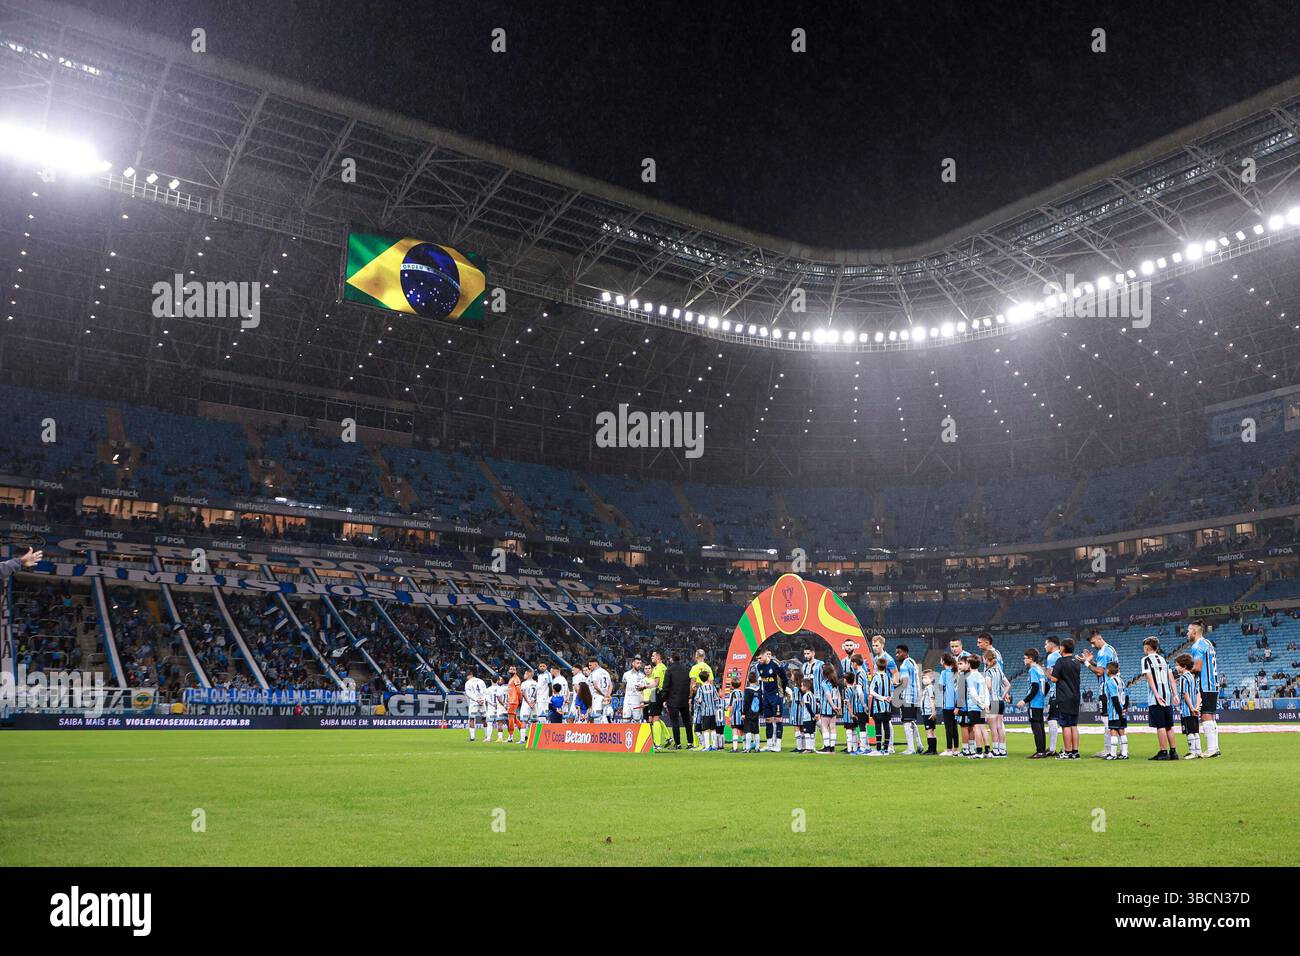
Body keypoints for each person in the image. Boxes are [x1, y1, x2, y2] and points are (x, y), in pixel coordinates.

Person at [1081, 629, 1119, 757]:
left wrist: (1086, 663)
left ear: (1098, 638)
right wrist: (1092, 662)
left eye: (1093, 643)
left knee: (1106, 719)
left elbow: (1100, 672)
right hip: (1113, 687)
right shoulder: (1110, 649)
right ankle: (1116, 748)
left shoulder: (1103, 652)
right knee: (1113, 719)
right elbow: (1103, 668)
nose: (1092, 646)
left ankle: (1108, 750)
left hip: (1106, 689)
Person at [1187, 620, 1222, 758]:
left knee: (1206, 715)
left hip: (1206, 684)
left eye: (1189, 630)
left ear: (1195, 632)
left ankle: (1211, 749)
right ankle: (1215, 748)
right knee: (1211, 716)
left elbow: (1198, 667)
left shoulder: (1197, 645)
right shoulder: (1208, 643)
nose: (1187, 633)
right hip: (1214, 683)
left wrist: (1185, 672)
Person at [1141, 637, 1177, 761]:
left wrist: (1156, 694)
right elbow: (1172, 679)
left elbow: (1149, 677)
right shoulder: (1164, 660)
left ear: (1147, 647)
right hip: (1167, 696)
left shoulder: (1146, 660)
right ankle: (1173, 752)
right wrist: (1175, 694)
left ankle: (1163, 751)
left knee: (1160, 725)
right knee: (1169, 725)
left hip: (1157, 698)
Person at [1049, 637, 1083, 759]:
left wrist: (1045, 671)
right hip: (1075, 696)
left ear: (1062, 648)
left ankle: (1067, 752)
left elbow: (1054, 678)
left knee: (1065, 725)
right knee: (1074, 725)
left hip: (1064, 696)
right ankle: (1075, 751)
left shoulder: (1061, 661)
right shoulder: (1077, 661)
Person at [753, 648, 789, 752]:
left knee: (778, 719)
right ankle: (769, 744)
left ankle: (778, 744)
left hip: (776, 695)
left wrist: (782, 691)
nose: (759, 660)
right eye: (757, 658)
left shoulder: (776, 665)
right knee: (768, 720)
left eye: (760, 658)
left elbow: (784, 679)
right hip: (766, 696)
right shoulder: (759, 667)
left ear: (765, 655)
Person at [659, 652, 694, 751]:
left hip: (673, 700)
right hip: (684, 700)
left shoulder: (669, 670)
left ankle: (678, 744)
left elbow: (666, 686)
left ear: (671, 659)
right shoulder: (687, 669)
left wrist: (663, 699)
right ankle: (690, 743)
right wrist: (689, 697)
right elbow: (689, 684)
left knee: (675, 722)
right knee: (687, 722)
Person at [1017, 649, 1048, 758]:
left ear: (1030, 658)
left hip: (1034, 703)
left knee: (1036, 727)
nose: (1023, 660)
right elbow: (1047, 686)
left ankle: (1039, 751)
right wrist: (1042, 696)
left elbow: (1034, 687)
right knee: (1040, 726)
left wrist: (1024, 700)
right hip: (1040, 702)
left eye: (1025, 657)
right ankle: (1042, 750)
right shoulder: (1040, 669)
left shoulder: (1033, 670)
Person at [1174, 653, 1203, 759]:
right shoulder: (1192, 676)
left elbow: (1185, 694)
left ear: (1184, 666)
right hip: (1195, 709)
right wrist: (1196, 707)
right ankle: (1198, 751)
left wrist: (1191, 708)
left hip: (1187, 710)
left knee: (1189, 731)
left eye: (1177, 665)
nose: (1176, 667)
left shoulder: (1183, 678)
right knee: (1195, 730)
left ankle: (1192, 752)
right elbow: (1197, 693)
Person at [960, 655, 989, 758]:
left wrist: (980, 704)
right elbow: (986, 691)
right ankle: (987, 751)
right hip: (983, 705)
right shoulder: (981, 675)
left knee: (976, 728)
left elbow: (973, 694)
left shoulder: (970, 677)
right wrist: (986, 704)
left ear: (969, 664)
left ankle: (979, 752)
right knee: (983, 728)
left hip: (975, 705)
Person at [895, 644, 921, 755]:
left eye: (899, 652)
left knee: (906, 722)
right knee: (911, 721)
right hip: (915, 696)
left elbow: (904, 683)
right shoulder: (913, 662)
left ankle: (910, 748)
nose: (897, 655)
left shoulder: (904, 665)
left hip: (907, 696)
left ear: (905, 652)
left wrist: (896, 686)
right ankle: (919, 745)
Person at [982, 648, 1009, 757]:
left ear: (986, 659)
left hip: (991, 701)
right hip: (1000, 701)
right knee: (1000, 727)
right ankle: (1002, 750)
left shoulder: (988, 671)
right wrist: (1002, 695)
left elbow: (988, 686)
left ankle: (996, 750)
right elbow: (1008, 685)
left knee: (993, 728)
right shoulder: (999, 670)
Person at [866, 656, 893, 756]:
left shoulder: (876, 677)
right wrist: (889, 698)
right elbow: (892, 691)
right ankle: (885, 749)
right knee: (886, 726)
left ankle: (878, 749)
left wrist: (881, 698)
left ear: (876, 666)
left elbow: (871, 691)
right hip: (887, 707)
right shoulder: (888, 677)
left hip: (878, 706)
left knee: (878, 726)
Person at [1102, 662, 1129, 760]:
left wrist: (1119, 711)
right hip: (1123, 710)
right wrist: (1125, 708)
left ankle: (1113, 754)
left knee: (1113, 730)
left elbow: (1114, 698)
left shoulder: (1110, 682)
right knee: (1122, 731)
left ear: (1108, 670)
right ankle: (1124, 753)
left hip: (1114, 712)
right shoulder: (1121, 680)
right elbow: (1126, 696)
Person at [1043, 637, 1062, 755]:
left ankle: (1052, 748)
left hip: (1056, 692)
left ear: (1051, 644)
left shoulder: (1052, 657)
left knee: (1052, 719)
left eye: (1046, 644)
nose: (1045, 646)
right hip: (1063, 692)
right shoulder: (1060, 656)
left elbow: (1051, 676)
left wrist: (1044, 670)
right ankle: (1067, 749)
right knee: (1064, 721)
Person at [937, 653, 959, 756]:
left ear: (944, 661)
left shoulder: (944, 673)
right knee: (954, 727)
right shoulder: (956, 672)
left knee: (948, 727)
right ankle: (956, 748)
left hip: (947, 704)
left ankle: (949, 749)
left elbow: (941, 687)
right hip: (956, 704)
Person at [816, 666, 840, 754]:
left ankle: (826, 747)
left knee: (824, 727)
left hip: (827, 708)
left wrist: (833, 706)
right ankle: (832, 748)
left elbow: (827, 695)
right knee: (833, 727)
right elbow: (838, 695)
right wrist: (838, 706)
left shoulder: (824, 683)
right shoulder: (835, 682)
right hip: (835, 709)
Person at [621, 656, 647, 723]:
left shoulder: (642, 676)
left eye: (640, 663)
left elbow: (643, 690)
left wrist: (642, 701)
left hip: (637, 700)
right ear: (633, 663)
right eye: (637, 663)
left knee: (637, 721)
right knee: (625, 721)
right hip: (627, 700)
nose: (639, 665)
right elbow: (623, 685)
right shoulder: (626, 674)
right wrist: (626, 694)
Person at [464, 669, 488, 742]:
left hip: (474, 703)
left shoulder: (468, 682)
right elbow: (485, 692)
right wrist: (482, 699)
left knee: (471, 719)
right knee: (484, 719)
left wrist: (476, 700)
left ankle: (472, 737)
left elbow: (468, 694)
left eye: (467, 676)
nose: (467, 678)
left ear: (470, 674)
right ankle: (487, 736)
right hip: (482, 702)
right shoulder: (481, 681)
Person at [587, 657, 613, 723]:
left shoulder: (594, 673)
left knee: (596, 716)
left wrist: (603, 695)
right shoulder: (606, 672)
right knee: (605, 715)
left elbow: (595, 686)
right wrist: (608, 695)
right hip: (605, 697)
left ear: (595, 664)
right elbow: (610, 685)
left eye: (590, 665)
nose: (589, 667)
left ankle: (597, 732)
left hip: (597, 696)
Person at [919, 669, 938, 755]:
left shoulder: (929, 688)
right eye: (923, 678)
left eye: (926, 678)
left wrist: (933, 711)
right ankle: (932, 749)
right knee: (931, 731)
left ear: (931, 679)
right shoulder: (927, 688)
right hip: (926, 712)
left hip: (928, 712)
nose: (924, 680)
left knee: (929, 731)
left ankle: (931, 749)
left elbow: (932, 699)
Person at [795, 678, 816, 754]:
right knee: (812, 732)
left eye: (802, 686)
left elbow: (808, 706)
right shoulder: (812, 695)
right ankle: (812, 747)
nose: (801, 688)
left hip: (807, 717)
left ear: (806, 687)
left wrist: (812, 715)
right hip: (813, 718)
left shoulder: (806, 696)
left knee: (807, 733)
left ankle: (808, 748)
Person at [725, 675, 745, 752]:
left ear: (732, 685)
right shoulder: (742, 693)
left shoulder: (732, 694)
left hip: (735, 715)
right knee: (743, 732)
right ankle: (745, 747)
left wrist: (730, 716)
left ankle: (735, 748)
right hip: (742, 715)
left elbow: (731, 705)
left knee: (735, 730)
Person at [519, 668, 538, 740]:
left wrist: (529, 703)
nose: (525, 675)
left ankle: (522, 739)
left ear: (529, 673)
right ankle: (534, 739)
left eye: (525, 673)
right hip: (534, 704)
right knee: (534, 721)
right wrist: (534, 702)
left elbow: (523, 694)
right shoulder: (536, 683)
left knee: (524, 721)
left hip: (526, 704)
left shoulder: (524, 683)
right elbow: (537, 694)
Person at [505, 666, 523, 743]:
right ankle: (524, 734)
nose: (511, 670)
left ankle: (510, 736)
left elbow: (518, 690)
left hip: (513, 700)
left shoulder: (516, 678)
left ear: (516, 671)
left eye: (513, 669)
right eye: (510, 669)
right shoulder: (511, 679)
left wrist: (520, 699)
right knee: (514, 718)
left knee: (510, 718)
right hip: (511, 700)